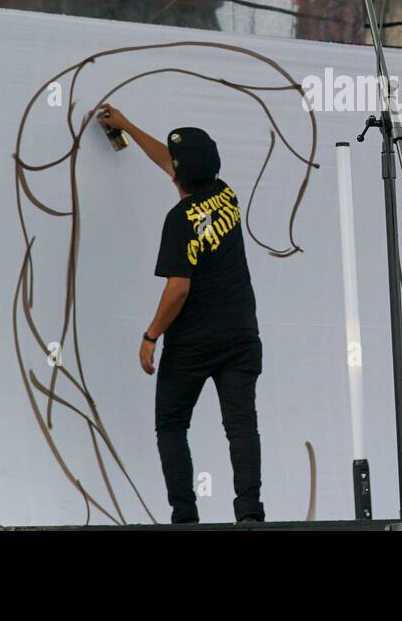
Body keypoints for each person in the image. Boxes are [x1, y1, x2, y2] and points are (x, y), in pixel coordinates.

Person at [96, 105, 265, 524]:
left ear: (179, 174)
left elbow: (178, 288)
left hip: (192, 344)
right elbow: (171, 163)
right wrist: (129, 127)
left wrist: (151, 335)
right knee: (240, 427)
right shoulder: (225, 193)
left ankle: (185, 518)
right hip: (241, 335)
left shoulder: (179, 221)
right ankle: (250, 514)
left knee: (171, 425)